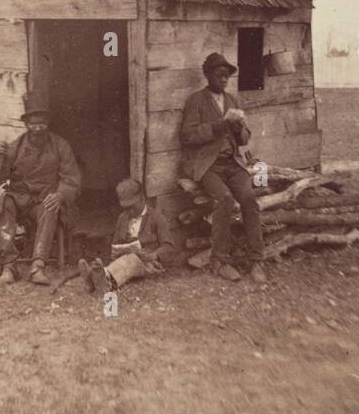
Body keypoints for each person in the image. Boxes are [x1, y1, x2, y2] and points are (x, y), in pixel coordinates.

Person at [180, 52, 267, 284]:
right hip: (208, 165)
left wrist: (239, 129)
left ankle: (257, 260)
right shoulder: (196, 100)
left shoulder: (232, 101)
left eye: (226, 76)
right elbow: (187, 136)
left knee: (249, 199)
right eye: (218, 75)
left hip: (232, 162)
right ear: (207, 76)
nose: (223, 80)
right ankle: (220, 261)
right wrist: (220, 126)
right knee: (225, 199)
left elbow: (245, 139)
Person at [0, 91, 80, 285]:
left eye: (42, 123)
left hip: (44, 199)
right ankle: (9, 265)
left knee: (50, 205)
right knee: (4, 202)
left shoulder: (61, 146)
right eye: (33, 123)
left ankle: (37, 266)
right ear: (27, 124)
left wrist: (60, 195)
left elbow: (71, 179)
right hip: (19, 198)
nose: (38, 128)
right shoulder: (15, 147)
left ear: (48, 124)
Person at [79, 178, 184, 294]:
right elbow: (116, 245)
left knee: (131, 261)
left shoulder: (156, 218)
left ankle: (101, 279)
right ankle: (94, 282)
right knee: (126, 261)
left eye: (132, 206)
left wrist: (154, 255)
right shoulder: (122, 218)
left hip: (149, 264)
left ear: (142, 198)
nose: (129, 211)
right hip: (123, 261)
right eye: (125, 207)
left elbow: (169, 247)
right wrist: (117, 250)